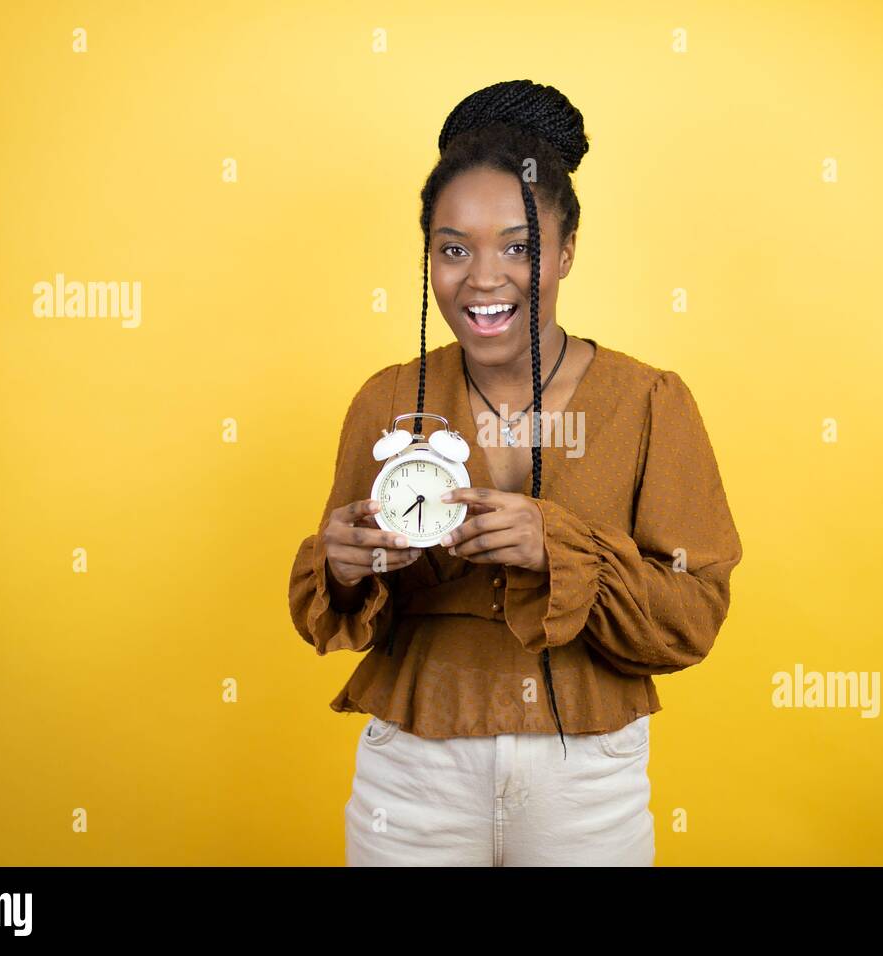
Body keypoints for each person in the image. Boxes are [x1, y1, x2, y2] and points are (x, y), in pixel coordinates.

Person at [288, 79, 743, 866]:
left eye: (519, 246)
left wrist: (555, 545)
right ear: (429, 255)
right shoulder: (386, 398)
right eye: (453, 247)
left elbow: (693, 614)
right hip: (414, 774)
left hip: (585, 781)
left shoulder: (649, 402)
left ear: (566, 252)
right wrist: (343, 561)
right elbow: (331, 610)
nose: (483, 277)